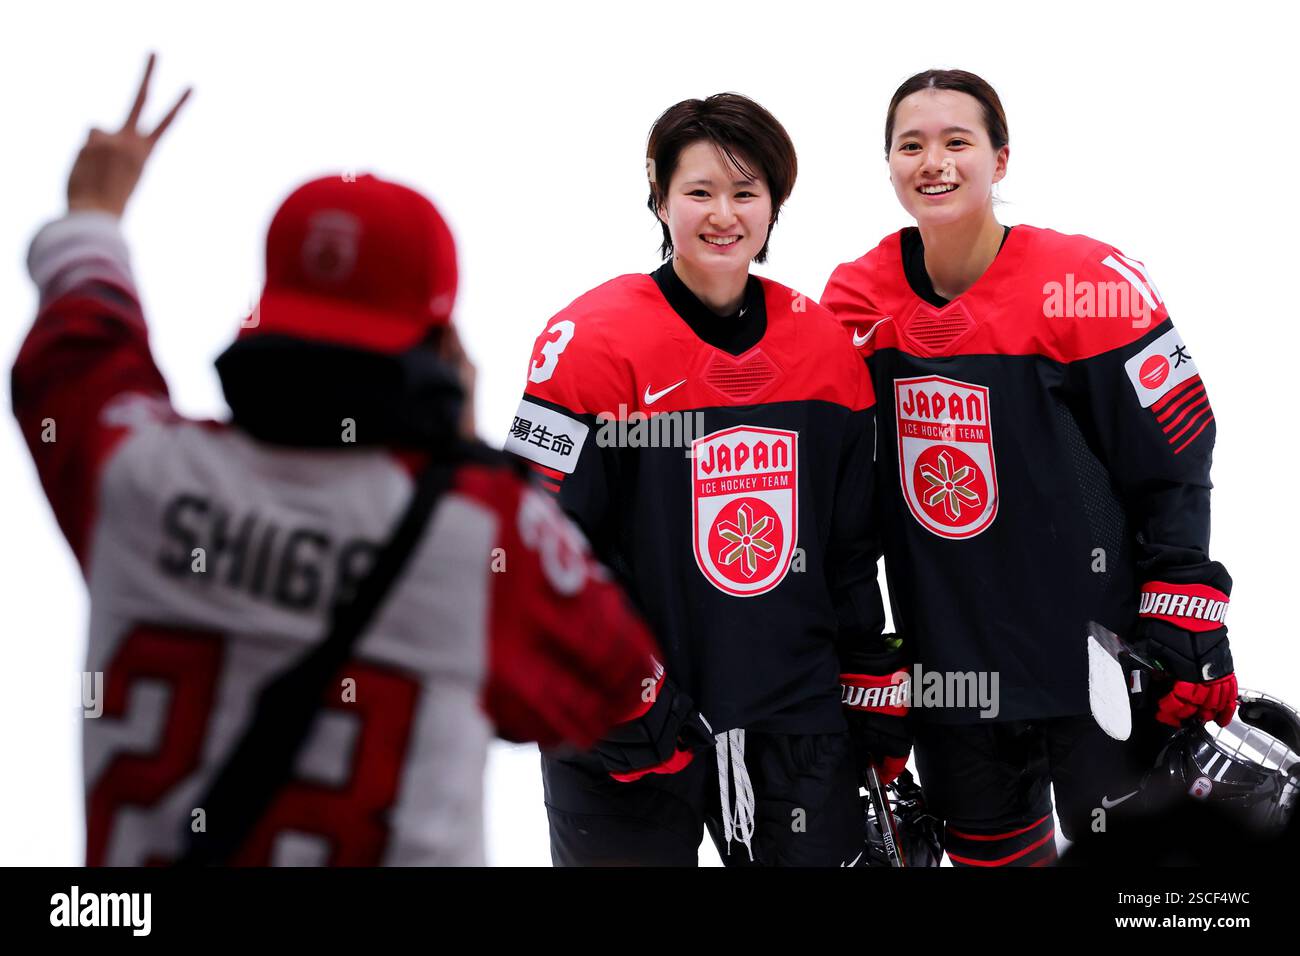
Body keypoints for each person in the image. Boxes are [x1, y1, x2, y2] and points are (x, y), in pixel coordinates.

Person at [12, 54, 658, 866]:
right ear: (436, 348)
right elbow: (612, 681)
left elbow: (76, 353)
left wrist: (93, 214)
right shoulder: (478, 535)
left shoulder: (138, 475)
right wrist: (465, 445)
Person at [821, 69, 1236, 866]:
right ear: (890, 164)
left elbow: (1177, 447)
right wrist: (861, 649)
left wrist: (1188, 604)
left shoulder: (1087, 285)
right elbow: (843, 496)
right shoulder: (855, 301)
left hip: (1102, 666)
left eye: (957, 142)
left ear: (1000, 161)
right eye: (912, 145)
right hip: (954, 677)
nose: (933, 162)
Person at [506, 93, 909, 866]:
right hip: (623, 725)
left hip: (791, 720)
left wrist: (869, 669)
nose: (723, 214)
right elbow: (531, 542)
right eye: (699, 191)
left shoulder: (824, 348)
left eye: (746, 192)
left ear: (773, 207)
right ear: (659, 199)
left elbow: (849, 547)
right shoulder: (586, 341)